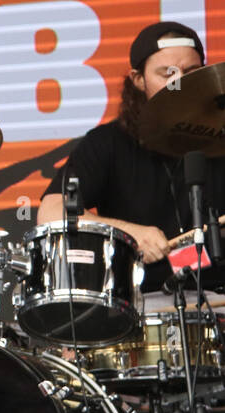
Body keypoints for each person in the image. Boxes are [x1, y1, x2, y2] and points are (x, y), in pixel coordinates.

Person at [39, 21, 225, 290]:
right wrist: (129, 234)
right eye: (167, 73)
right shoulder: (108, 143)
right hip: (141, 305)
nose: (180, 83)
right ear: (139, 80)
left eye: (192, 72)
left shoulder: (220, 139)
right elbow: (50, 212)